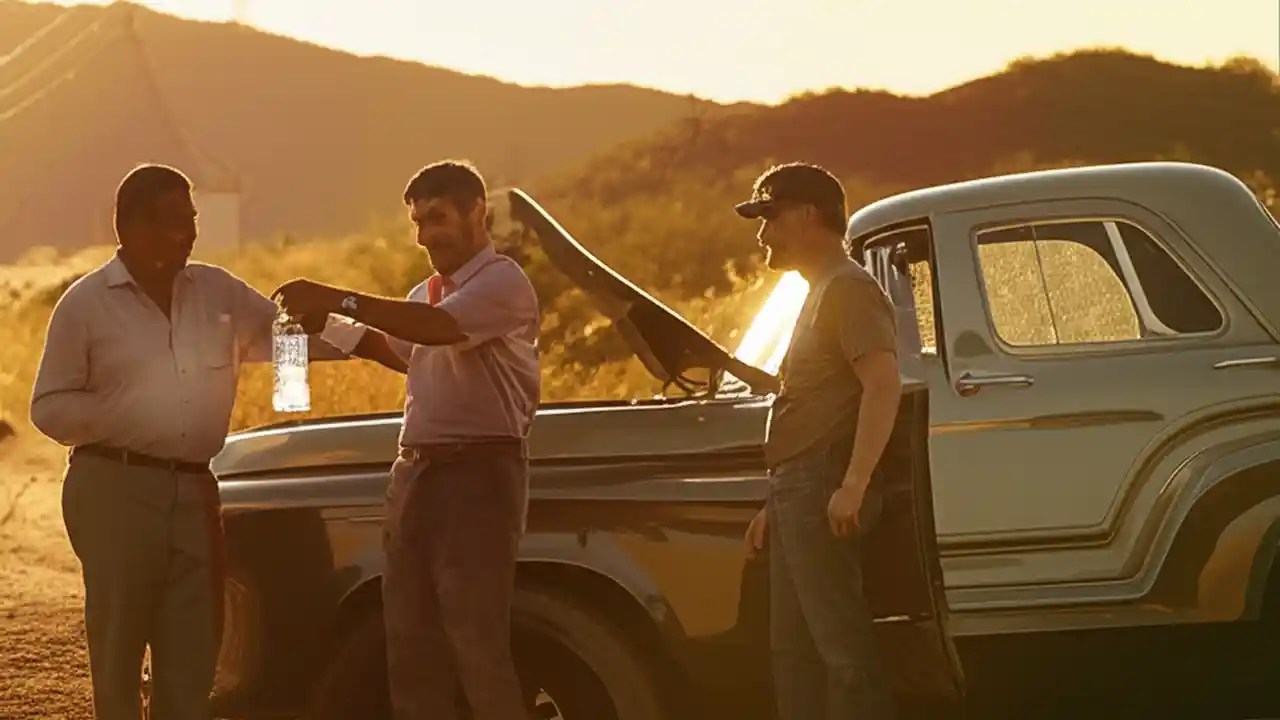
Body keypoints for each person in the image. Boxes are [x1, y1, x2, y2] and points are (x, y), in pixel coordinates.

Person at [29, 163, 351, 719]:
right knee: (118, 649)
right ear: (127, 227)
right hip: (112, 490)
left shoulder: (218, 290)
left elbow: (289, 339)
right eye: (171, 221)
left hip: (196, 492)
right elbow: (47, 408)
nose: (187, 232)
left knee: (195, 653)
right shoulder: (85, 304)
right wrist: (130, 414)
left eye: (191, 218)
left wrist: (368, 328)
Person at [274, 159, 540, 720]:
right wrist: (322, 321)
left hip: (478, 473)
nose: (426, 236)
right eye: (418, 223)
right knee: (411, 644)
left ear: (477, 211)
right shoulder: (429, 290)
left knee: (476, 642)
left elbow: (438, 330)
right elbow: (396, 349)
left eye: (438, 218)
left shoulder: (502, 282)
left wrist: (339, 296)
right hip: (416, 470)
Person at [735, 162, 902, 719]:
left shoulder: (849, 289)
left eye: (770, 219)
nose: (763, 235)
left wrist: (853, 483)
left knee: (840, 648)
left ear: (808, 216)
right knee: (794, 650)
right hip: (797, 490)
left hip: (822, 481)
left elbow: (881, 384)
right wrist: (774, 500)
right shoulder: (817, 291)